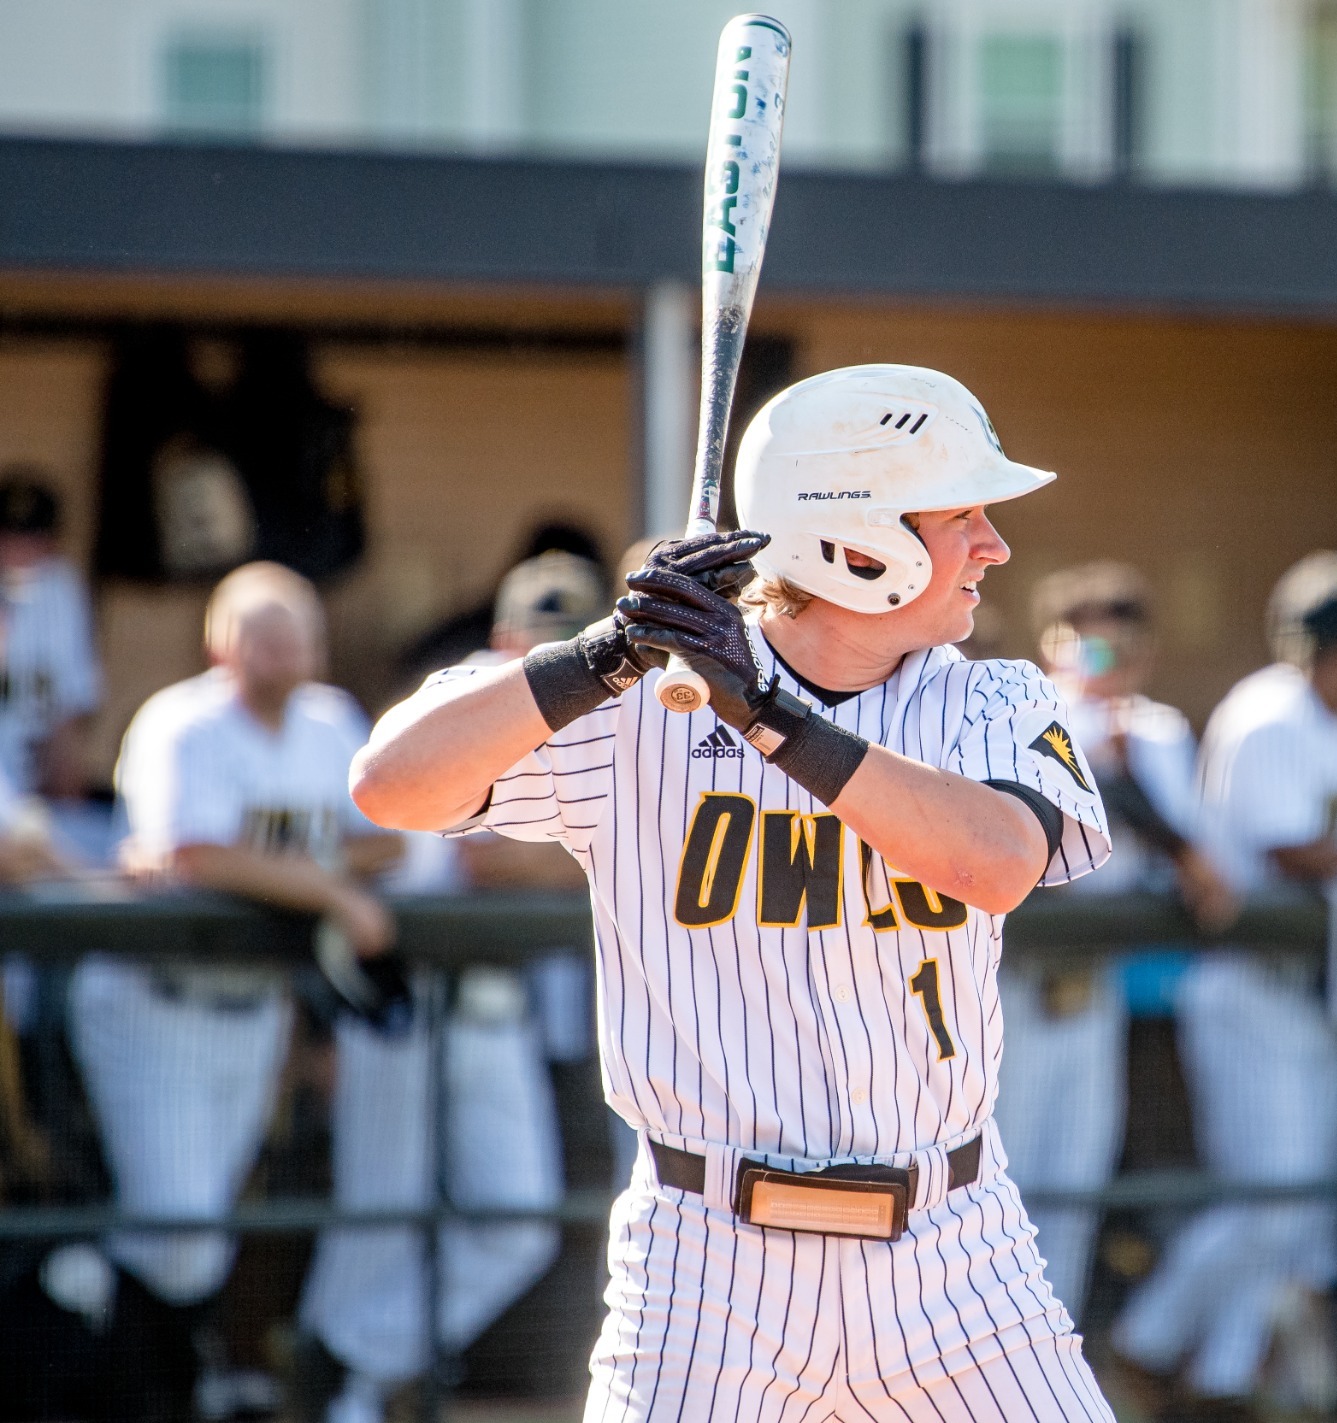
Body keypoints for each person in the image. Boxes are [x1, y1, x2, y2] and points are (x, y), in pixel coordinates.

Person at [349, 364, 1119, 1422]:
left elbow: (995, 864)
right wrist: (602, 655)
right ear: (860, 539)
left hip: (958, 1250)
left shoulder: (989, 692)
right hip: (704, 1263)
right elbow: (389, 785)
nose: (995, 547)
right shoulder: (641, 699)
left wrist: (767, 716)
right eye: (963, 517)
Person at [71, 562, 400, 1422]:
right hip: (157, 998)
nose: (287, 648)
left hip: (251, 1008)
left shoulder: (332, 725)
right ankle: (90, 1324)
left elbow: (390, 841)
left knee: (200, 1236)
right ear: (222, 640)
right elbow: (196, 854)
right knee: (180, 1236)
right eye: (266, 631)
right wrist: (325, 886)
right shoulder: (183, 722)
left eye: (298, 630)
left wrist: (287, 870)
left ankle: (147, 1377)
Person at [1111, 551, 1337, 1422]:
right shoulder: (1266, 715)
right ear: (1326, 648)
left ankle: (1219, 1376)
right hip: (1248, 988)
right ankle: (1149, 1337)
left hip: (1317, 995)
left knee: (1300, 1205)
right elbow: (1290, 850)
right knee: (1273, 1199)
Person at [295, 553, 592, 1423]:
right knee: (377, 1221)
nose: (558, 659)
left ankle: (340, 1358)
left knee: (519, 1223)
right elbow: (469, 852)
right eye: (542, 643)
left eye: (573, 644)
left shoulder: (611, 719)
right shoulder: (462, 700)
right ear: (506, 642)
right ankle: (338, 1389)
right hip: (401, 1008)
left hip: (492, 1009)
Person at [996, 562, 1226, 1325]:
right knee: (1009, 1171)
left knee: (1078, 1174)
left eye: (1120, 652)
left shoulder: (1158, 729)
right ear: (1054, 647)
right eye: (1088, 649)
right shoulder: (1025, 710)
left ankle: (1042, 1363)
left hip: (1097, 974)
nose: (1105, 668)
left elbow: (1187, 850)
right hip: (1016, 973)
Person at [0, 468, 102, 801]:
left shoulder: (62, 589)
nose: (19, 551)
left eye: (33, 539)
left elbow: (70, 710)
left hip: (27, 790)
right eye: (9, 537)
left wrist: (66, 808)